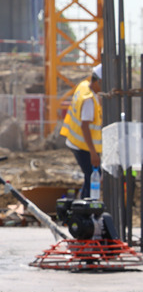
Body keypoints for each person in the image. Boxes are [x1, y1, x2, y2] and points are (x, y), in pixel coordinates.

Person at [61, 64, 103, 200]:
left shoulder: (84, 86)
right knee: (93, 176)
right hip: (82, 146)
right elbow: (85, 126)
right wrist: (93, 153)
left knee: (90, 175)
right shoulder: (89, 101)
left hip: (76, 141)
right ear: (99, 81)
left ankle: (84, 204)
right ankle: (86, 208)